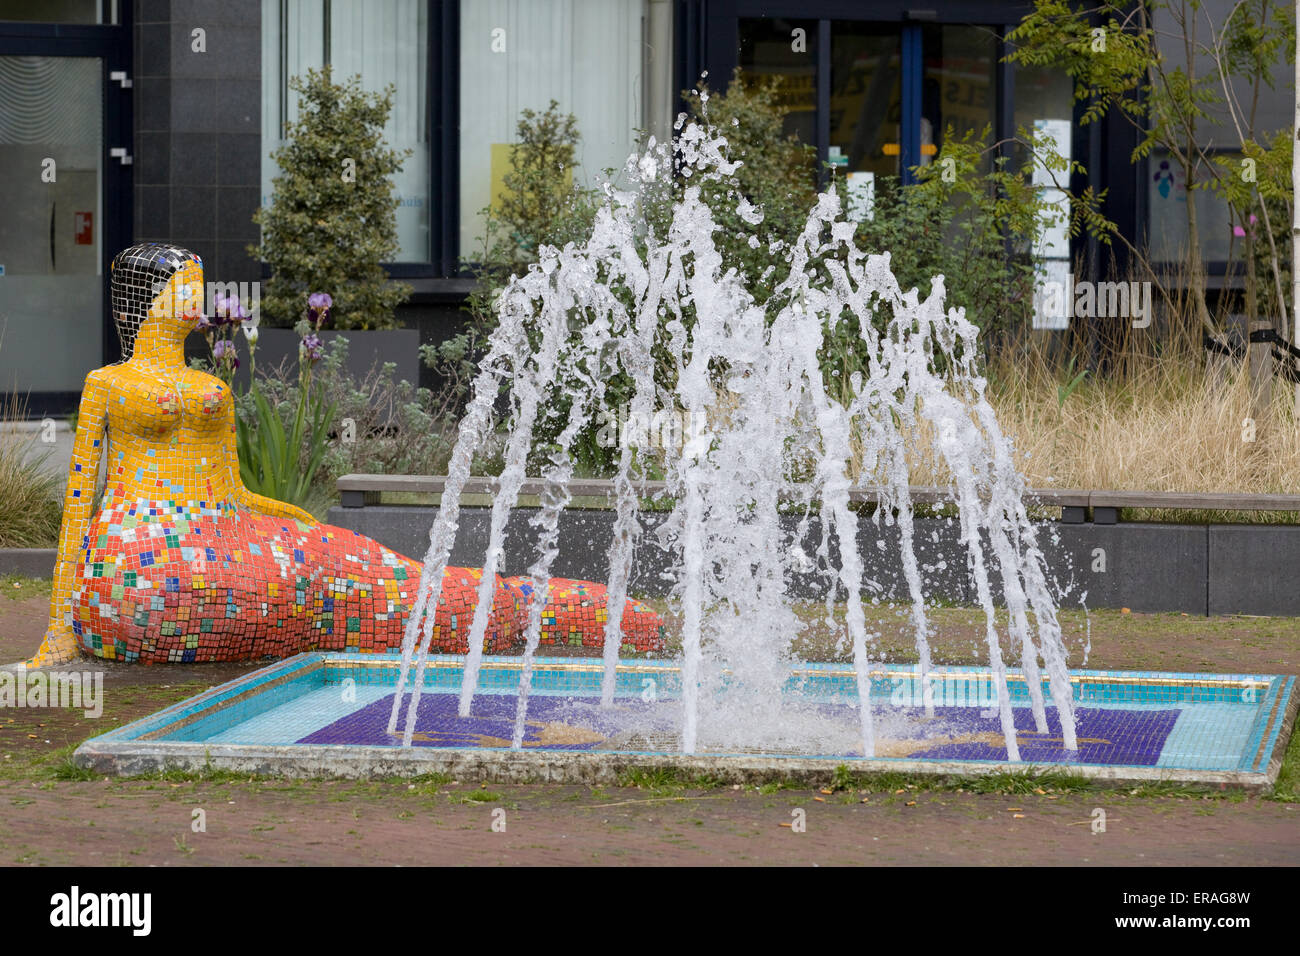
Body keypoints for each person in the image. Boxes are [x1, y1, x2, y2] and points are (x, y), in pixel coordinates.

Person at [28, 243, 662, 666]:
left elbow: (231, 489)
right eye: (185, 288)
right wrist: (60, 628)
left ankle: (601, 617)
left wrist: (289, 515)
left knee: (371, 571)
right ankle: (608, 621)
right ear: (150, 297)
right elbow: (79, 501)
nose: (199, 300)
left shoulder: (214, 387)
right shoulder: (108, 383)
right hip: (142, 568)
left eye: (200, 286)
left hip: (226, 538)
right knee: (338, 583)